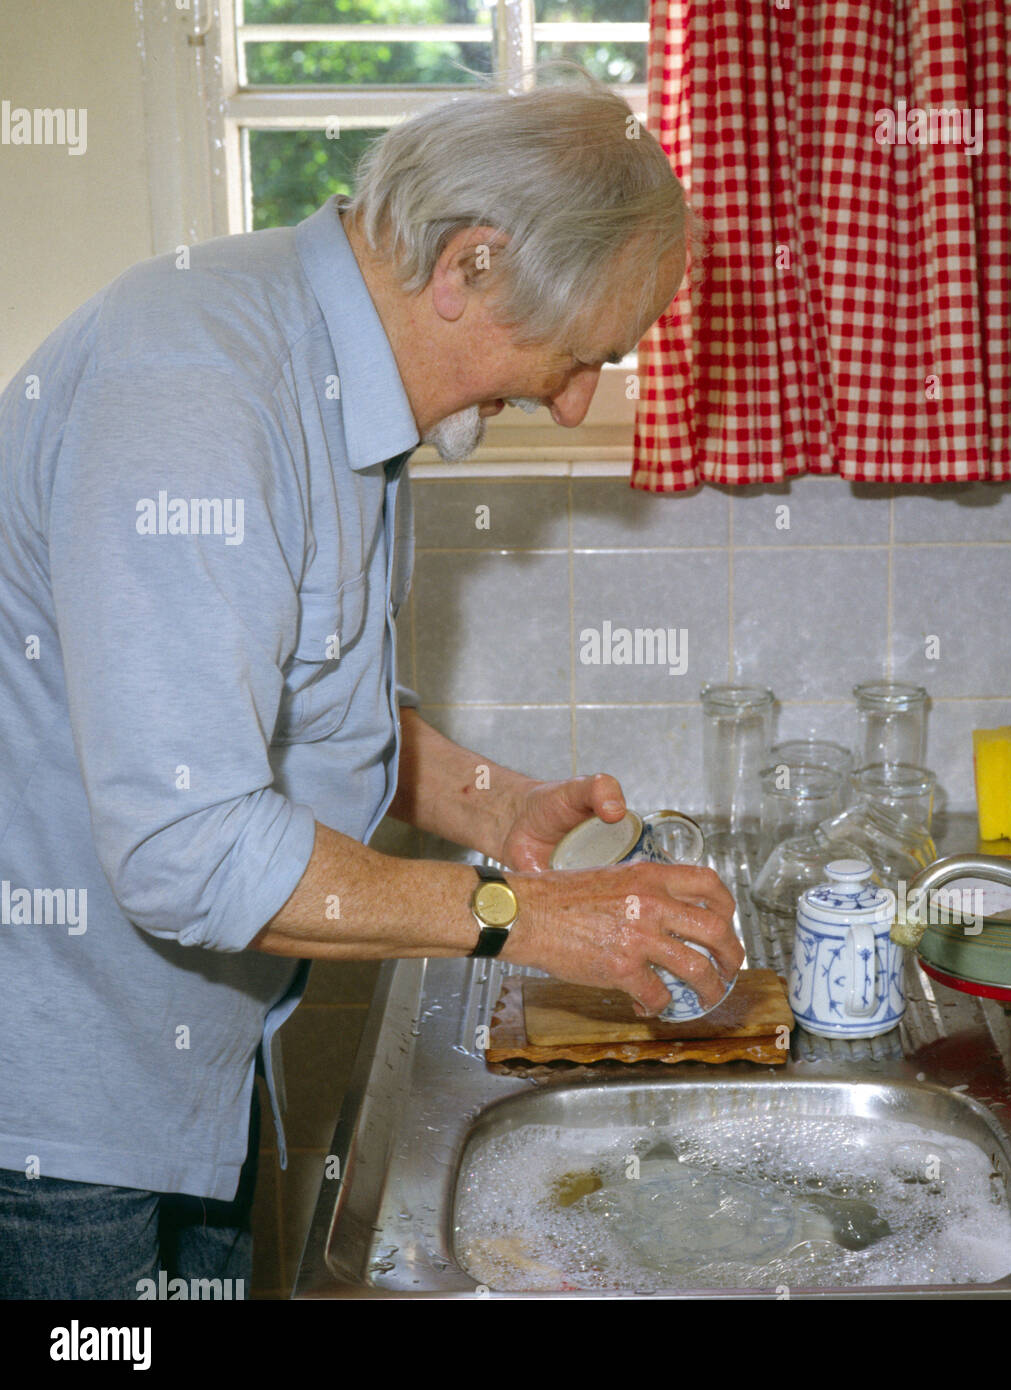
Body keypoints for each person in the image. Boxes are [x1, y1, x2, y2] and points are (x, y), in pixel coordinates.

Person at [0, 73, 740, 1299]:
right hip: (54, 1116)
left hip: (186, 1063)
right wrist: (523, 916)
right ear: (471, 267)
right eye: (574, 357)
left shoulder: (338, 389)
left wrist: (488, 803)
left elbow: (280, 709)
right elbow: (189, 844)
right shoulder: (195, 390)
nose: (568, 406)